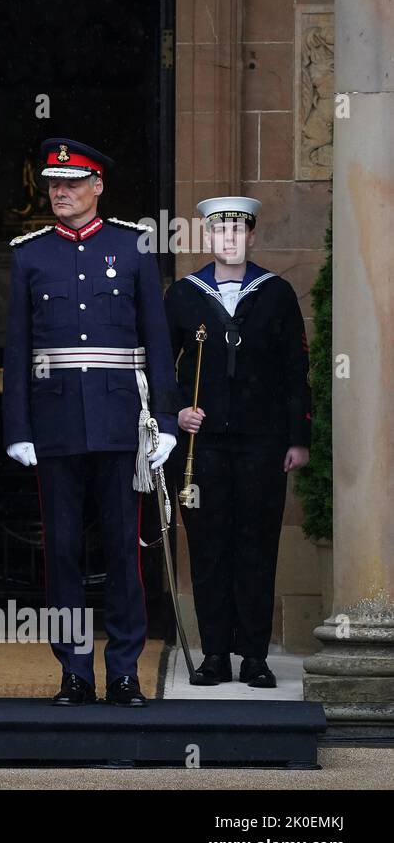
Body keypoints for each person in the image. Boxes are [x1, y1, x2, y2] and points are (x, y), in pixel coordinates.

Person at [3, 138, 179, 708]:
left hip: (119, 419)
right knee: (63, 552)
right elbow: (17, 350)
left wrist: (169, 423)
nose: (60, 192)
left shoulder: (132, 249)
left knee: (125, 550)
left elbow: (157, 339)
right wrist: (18, 428)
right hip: (54, 422)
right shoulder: (30, 255)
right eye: (54, 184)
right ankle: (74, 670)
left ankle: (124, 669)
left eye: (72, 183)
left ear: (97, 186)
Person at [163, 196, 311, 688]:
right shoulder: (184, 295)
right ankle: (215, 656)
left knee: (256, 547)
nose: (227, 239)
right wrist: (174, 413)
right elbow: (163, 370)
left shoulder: (277, 294)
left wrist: (298, 438)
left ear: (251, 236)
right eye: (218, 230)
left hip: (263, 445)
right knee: (207, 549)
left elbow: (296, 372)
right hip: (200, 447)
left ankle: (253, 656)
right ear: (207, 237)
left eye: (236, 230)